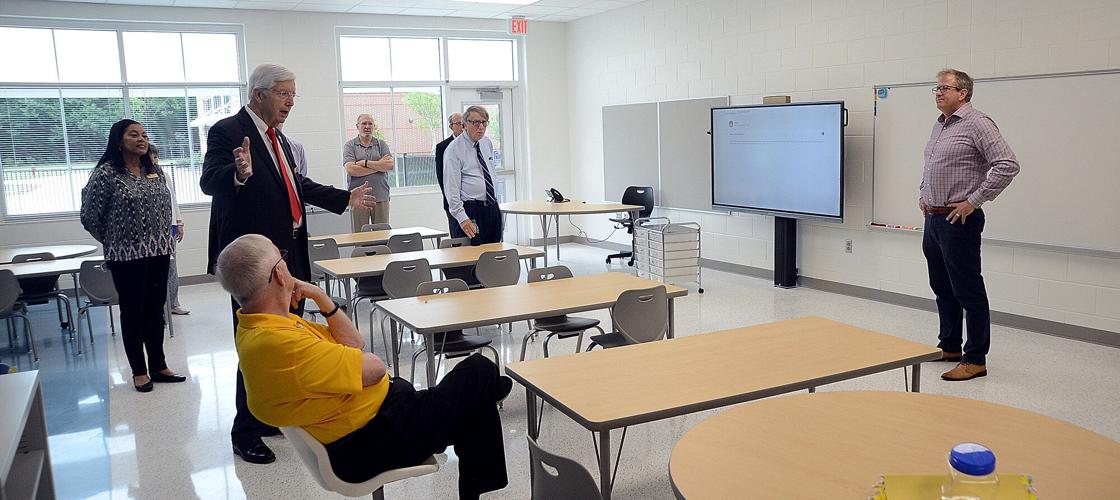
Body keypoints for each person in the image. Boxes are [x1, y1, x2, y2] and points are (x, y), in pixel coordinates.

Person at [215, 234, 510, 498]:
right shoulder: (280, 344)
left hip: (376, 420)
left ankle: (477, 467)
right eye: (283, 257)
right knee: (479, 370)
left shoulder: (259, 325)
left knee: (475, 401)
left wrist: (320, 296)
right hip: (371, 441)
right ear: (280, 274)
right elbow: (374, 368)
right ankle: (490, 394)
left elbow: (355, 344)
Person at [200, 63, 376, 465]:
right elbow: (210, 180)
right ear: (259, 94)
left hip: (288, 258)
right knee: (260, 346)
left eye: (294, 94)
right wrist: (237, 173)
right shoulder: (228, 131)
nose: (291, 102)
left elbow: (296, 186)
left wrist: (343, 198)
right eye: (284, 94)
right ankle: (244, 432)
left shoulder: (277, 139)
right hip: (255, 266)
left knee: (289, 339)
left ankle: (268, 414)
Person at [919, 68, 1020, 382]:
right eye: (935, 87)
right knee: (942, 287)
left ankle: (975, 359)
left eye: (944, 88)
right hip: (934, 218)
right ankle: (949, 346)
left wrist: (974, 201)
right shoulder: (940, 126)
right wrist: (923, 192)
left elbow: (1007, 165)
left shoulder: (977, 123)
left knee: (968, 291)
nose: (938, 92)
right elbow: (932, 164)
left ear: (963, 93)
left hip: (957, 220)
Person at [80, 119, 187, 392]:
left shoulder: (155, 171)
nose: (141, 139)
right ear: (119, 140)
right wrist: (114, 241)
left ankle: (159, 365)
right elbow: (90, 216)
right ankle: (139, 371)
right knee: (133, 312)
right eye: (133, 134)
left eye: (144, 135)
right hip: (125, 256)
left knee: (155, 309)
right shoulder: (106, 174)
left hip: (159, 251)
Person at [443, 106, 503, 244]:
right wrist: (462, 218)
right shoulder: (453, 149)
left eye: (484, 122)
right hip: (471, 211)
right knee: (473, 259)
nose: (481, 127)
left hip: (492, 207)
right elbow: (451, 188)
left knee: (494, 255)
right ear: (465, 124)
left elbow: (490, 173)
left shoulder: (486, 142)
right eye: (476, 122)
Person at [148, 143, 189, 315]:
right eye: (152, 156)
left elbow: (173, 199)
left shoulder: (163, 175)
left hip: (169, 227)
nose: (155, 159)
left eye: (156, 156)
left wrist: (179, 222)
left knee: (171, 266)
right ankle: (157, 306)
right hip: (151, 230)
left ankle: (173, 303)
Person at [343, 114, 393, 230]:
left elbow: (389, 165)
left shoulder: (381, 144)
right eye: (364, 123)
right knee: (359, 236)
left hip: (381, 197)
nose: (367, 126)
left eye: (370, 124)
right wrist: (379, 165)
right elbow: (351, 169)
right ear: (357, 126)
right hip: (358, 199)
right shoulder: (350, 145)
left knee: (382, 235)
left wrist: (364, 163)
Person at [434, 112, 464, 233]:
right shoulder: (443, 147)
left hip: (471, 201)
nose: (462, 126)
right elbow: (442, 176)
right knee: (456, 234)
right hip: (452, 199)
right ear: (451, 126)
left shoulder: (472, 144)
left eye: (464, 123)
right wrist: (450, 197)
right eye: (458, 124)